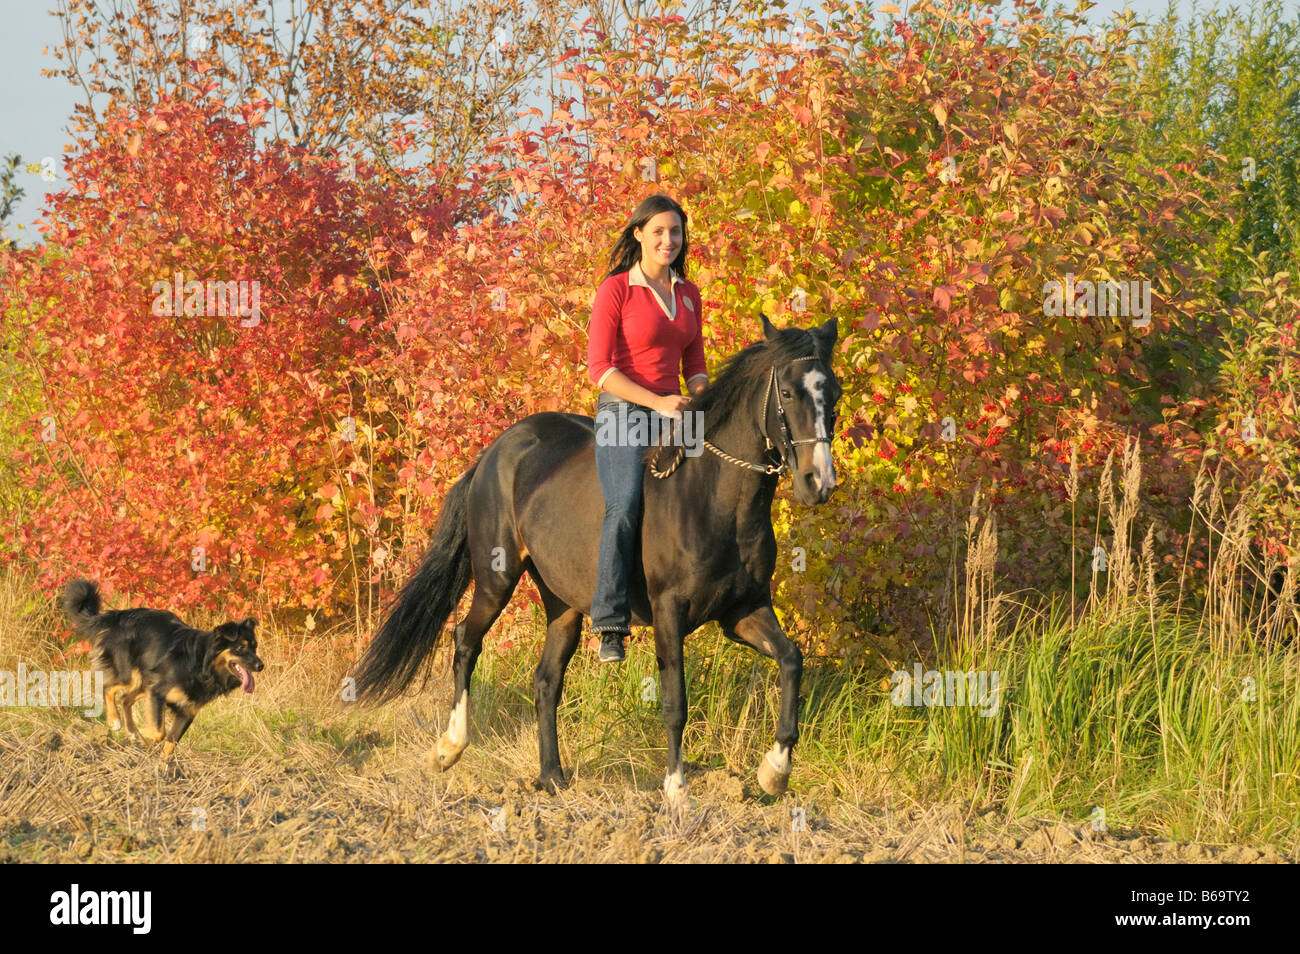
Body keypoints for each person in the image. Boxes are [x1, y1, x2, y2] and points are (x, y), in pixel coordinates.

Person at [585, 193, 709, 662]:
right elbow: (598, 368)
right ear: (638, 234)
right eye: (658, 230)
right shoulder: (616, 290)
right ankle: (611, 622)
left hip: (676, 413)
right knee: (626, 504)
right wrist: (656, 400)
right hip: (623, 411)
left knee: (716, 487)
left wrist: (703, 400)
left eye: (675, 231)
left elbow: (694, 367)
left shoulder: (689, 294)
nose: (667, 239)